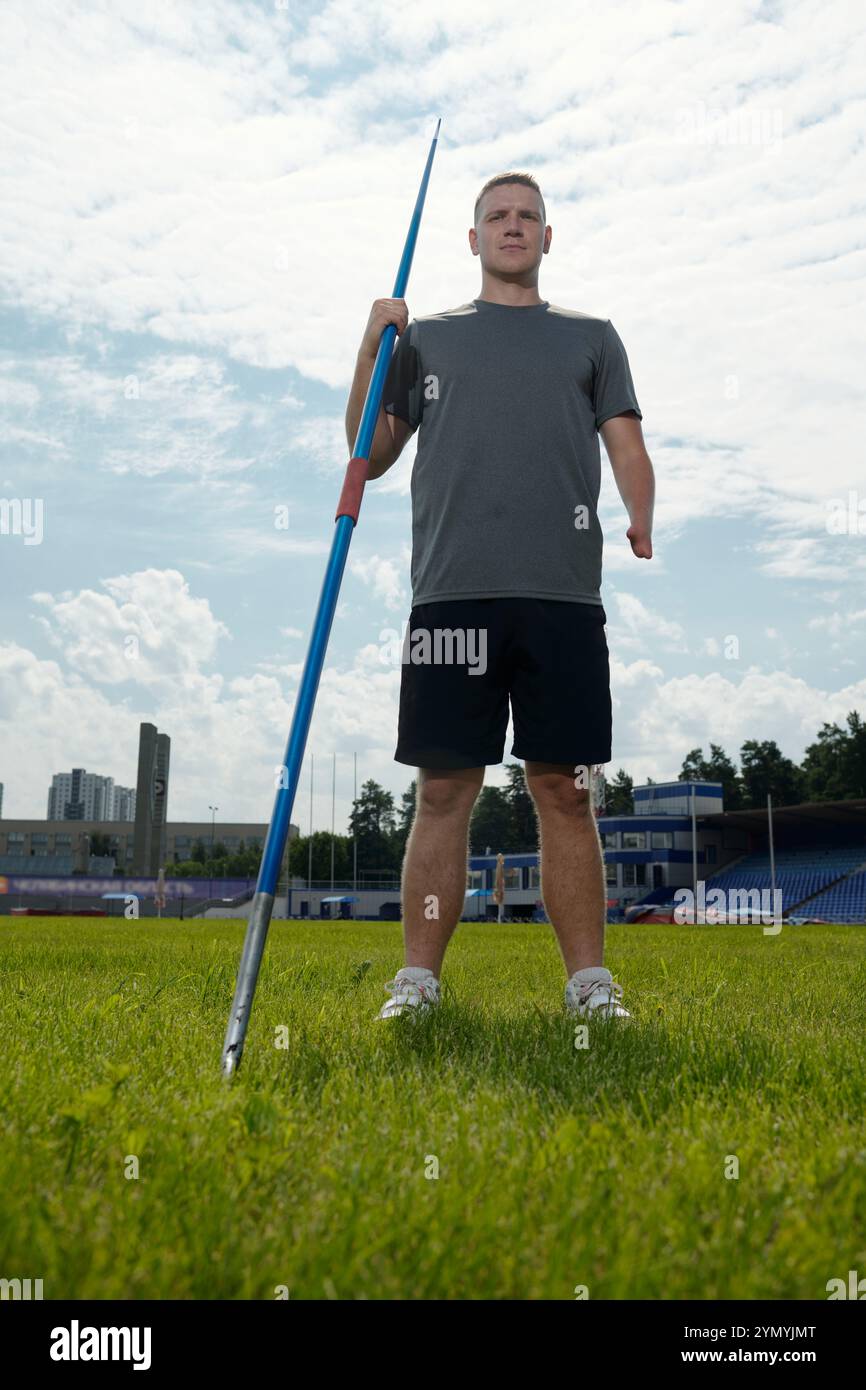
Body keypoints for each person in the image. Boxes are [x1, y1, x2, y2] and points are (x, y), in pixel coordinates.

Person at [344, 172, 655, 1022]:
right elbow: (369, 453)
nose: (512, 227)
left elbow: (626, 440)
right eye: (496, 217)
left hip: (562, 595)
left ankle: (590, 985)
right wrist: (372, 348)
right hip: (450, 595)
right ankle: (418, 984)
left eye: (527, 217)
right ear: (473, 238)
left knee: (566, 789)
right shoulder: (427, 339)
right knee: (444, 789)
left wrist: (641, 515)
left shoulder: (592, 336)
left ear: (547, 239)